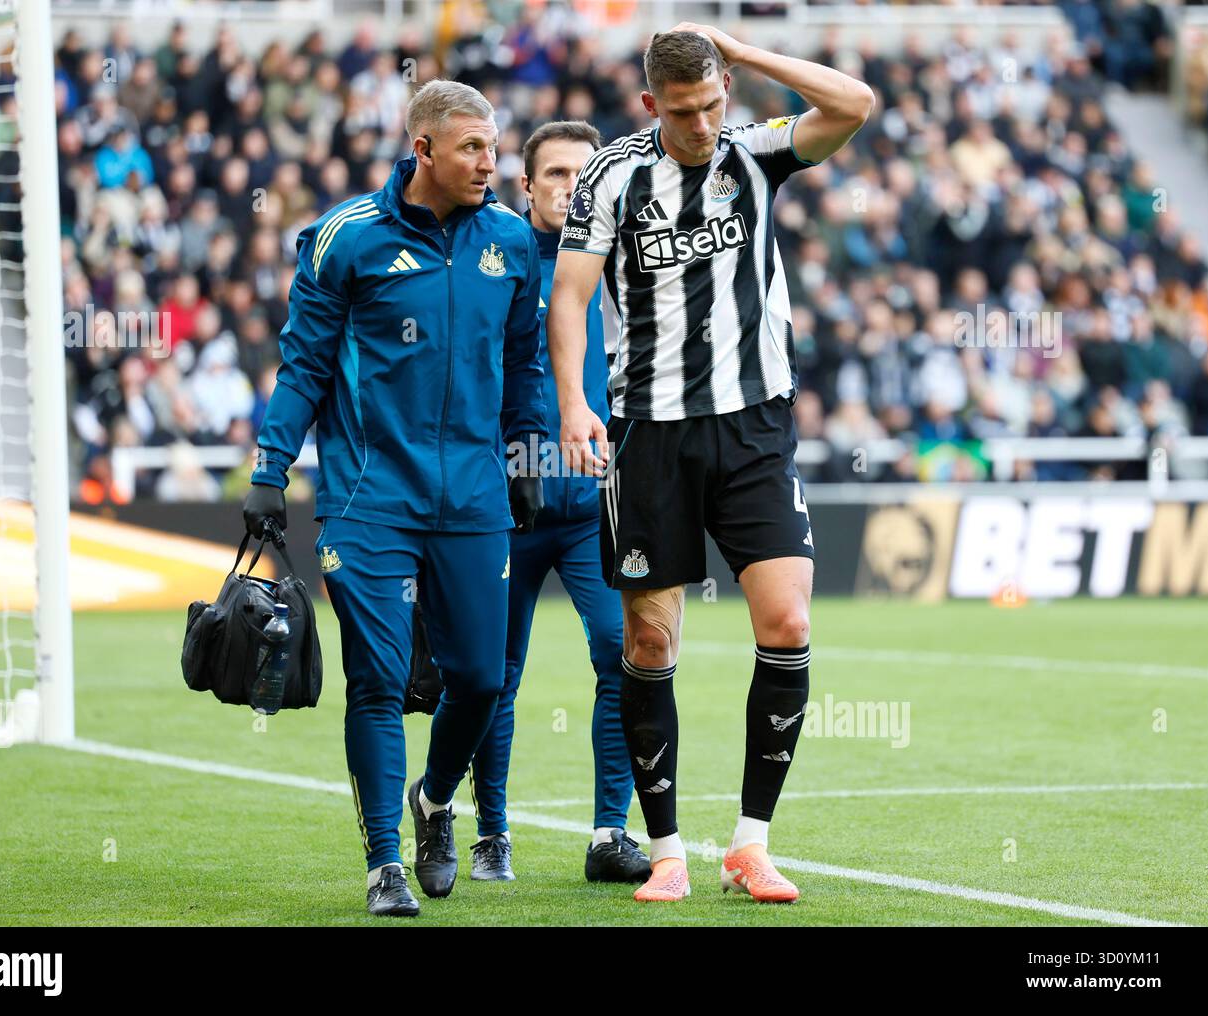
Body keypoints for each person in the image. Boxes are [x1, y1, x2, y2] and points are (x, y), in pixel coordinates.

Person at [547, 24, 873, 903]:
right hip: (648, 432)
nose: (699, 126)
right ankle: (666, 851)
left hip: (754, 425)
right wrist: (576, 404)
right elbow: (570, 294)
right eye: (682, 112)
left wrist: (748, 52)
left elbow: (854, 104)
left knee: (789, 624)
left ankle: (751, 844)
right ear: (652, 104)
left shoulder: (756, 152)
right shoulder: (612, 175)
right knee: (649, 640)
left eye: (712, 104)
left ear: (726, 90)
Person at [242, 79, 547, 917]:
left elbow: (523, 365)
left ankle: (434, 801)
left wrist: (526, 453)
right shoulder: (346, 238)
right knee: (376, 678)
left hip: (476, 498)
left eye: (494, 146)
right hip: (367, 499)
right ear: (424, 152)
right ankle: (383, 863)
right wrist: (271, 471)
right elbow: (302, 364)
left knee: (483, 680)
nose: (492, 162)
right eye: (474, 149)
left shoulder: (513, 245)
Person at [445, 121, 651, 885]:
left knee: (625, 655)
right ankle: (490, 831)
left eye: (582, 173)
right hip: (504, 509)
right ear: (524, 186)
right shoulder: (490, 255)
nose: (569, 185)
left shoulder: (623, 258)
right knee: (494, 676)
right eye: (554, 173)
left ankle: (609, 832)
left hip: (594, 502)